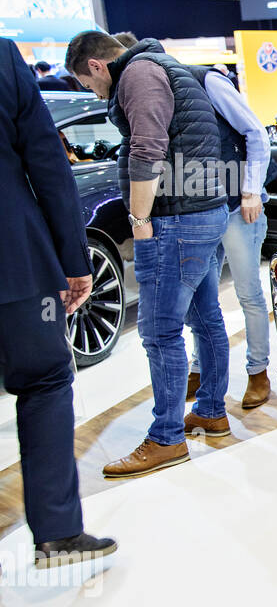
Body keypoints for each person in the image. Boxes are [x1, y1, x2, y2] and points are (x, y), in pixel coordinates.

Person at [65, 31, 231, 478]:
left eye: (87, 84)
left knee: (160, 333)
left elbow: (148, 149)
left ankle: (166, 439)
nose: (92, 92)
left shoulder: (138, 74)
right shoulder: (160, 65)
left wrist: (139, 222)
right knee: (206, 317)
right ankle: (211, 412)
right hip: (202, 210)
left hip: (177, 219)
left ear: (97, 66)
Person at [0, 37, 117, 566]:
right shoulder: (3, 58)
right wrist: (74, 261)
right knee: (45, 382)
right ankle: (57, 533)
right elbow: (48, 163)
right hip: (15, 265)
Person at [183, 60, 277, 412]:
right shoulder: (161, 91)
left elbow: (256, 132)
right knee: (201, 296)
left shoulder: (207, 81)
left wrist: (251, 191)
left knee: (247, 292)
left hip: (239, 205)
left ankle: (258, 371)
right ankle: (199, 366)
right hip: (202, 206)